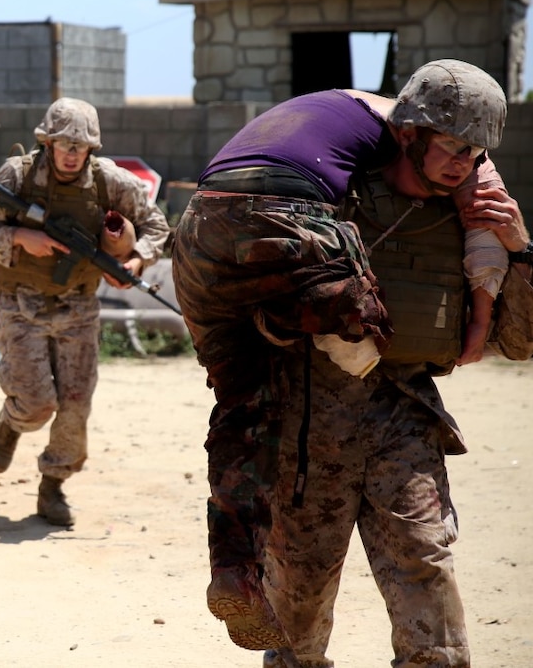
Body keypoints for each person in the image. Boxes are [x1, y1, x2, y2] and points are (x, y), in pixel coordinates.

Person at [172, 59, 533, 666]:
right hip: (310, 426)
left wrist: (522, 251)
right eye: (451, 146)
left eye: (475, 152)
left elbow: (519, 344)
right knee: (299, 613)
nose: (462, 163)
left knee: (428, 581)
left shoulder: (479, 223)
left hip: (405, 420)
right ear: (410, 134)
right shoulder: (333, 194)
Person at [0, 97, 170, 527]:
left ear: (91, 149)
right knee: (38, 404)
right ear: (48, 141)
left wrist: (136, 259)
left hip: (78, 303)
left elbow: (157, 225)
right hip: (21, 301)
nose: (71, 154)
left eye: (80, 147)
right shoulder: (18, 176)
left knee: (76, 403)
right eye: (64, 144)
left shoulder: (108, 181)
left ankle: (52, 486)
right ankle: (11, 422)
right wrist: (22, 236)